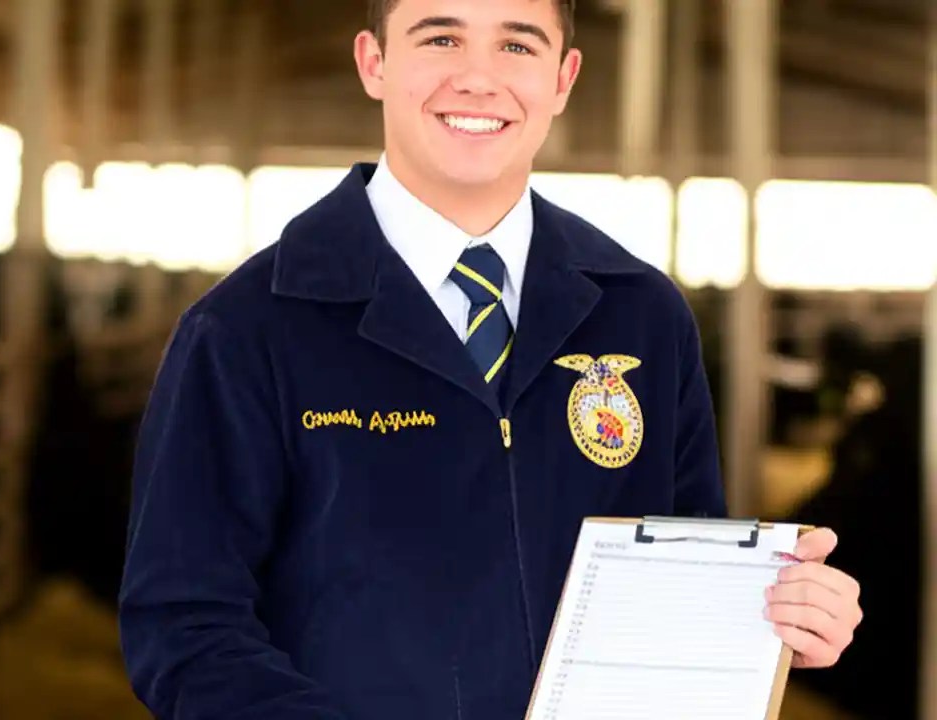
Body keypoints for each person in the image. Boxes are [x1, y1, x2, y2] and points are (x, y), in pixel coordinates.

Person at [118, 0, 864, 717]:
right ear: (373, 61)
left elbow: (679, 585)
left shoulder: (642, 315)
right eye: (440, 39)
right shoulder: (247, 329)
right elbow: (183, 624)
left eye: (516, 44)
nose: (478, 77)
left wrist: (776, 621)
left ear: (564, 77)